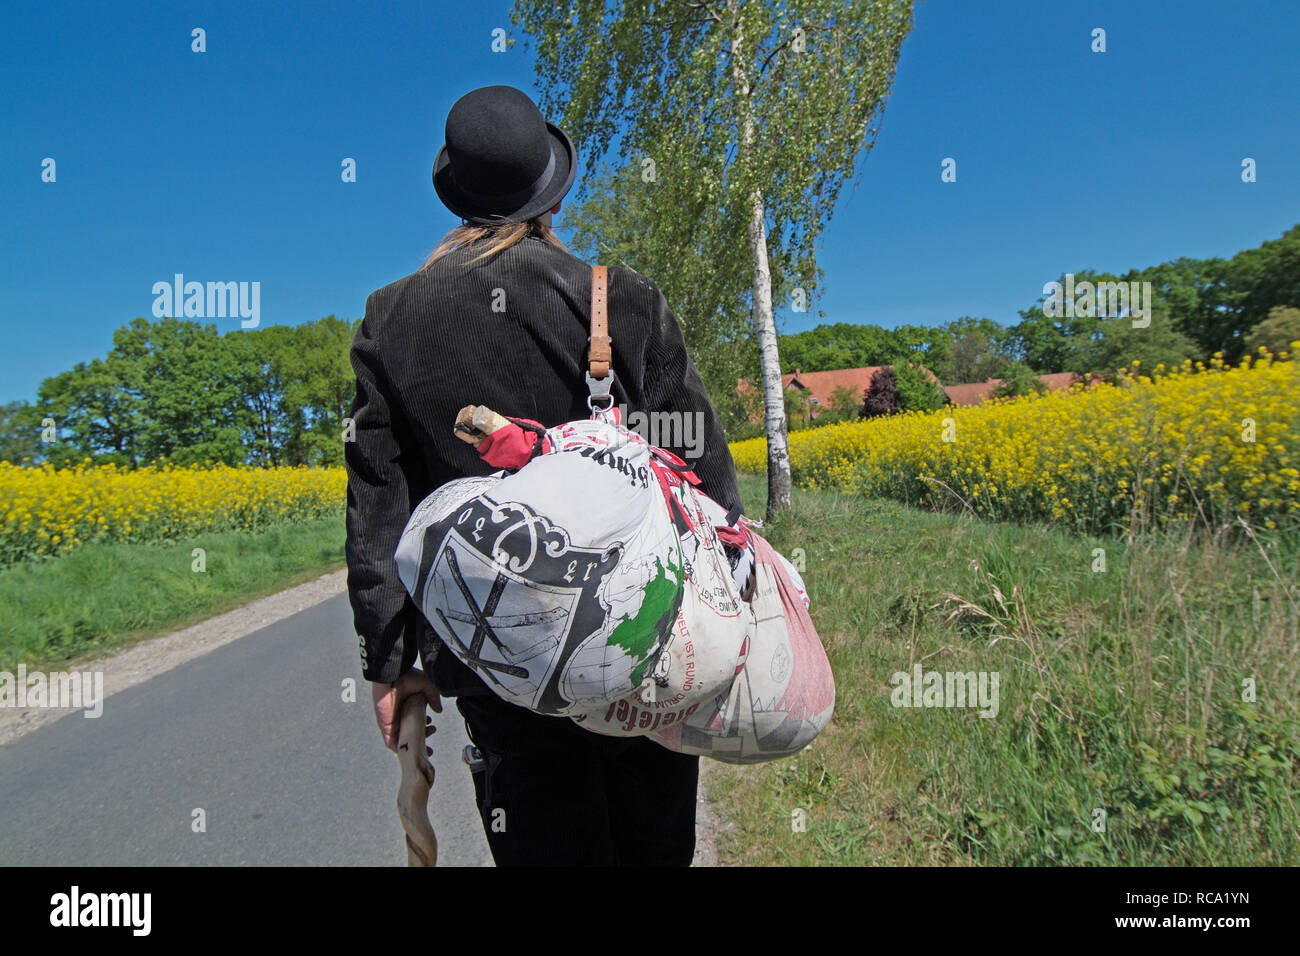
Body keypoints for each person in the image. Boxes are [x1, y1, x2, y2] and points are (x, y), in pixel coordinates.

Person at [345, 84, 742, 866]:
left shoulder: (390, 320)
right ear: (550, 193)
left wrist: (392, 667)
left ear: (456, 193)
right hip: (645, 645)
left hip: (497, 661)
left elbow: (379, 512)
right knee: (655, 850)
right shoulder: (620, 301)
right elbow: (702, 467)